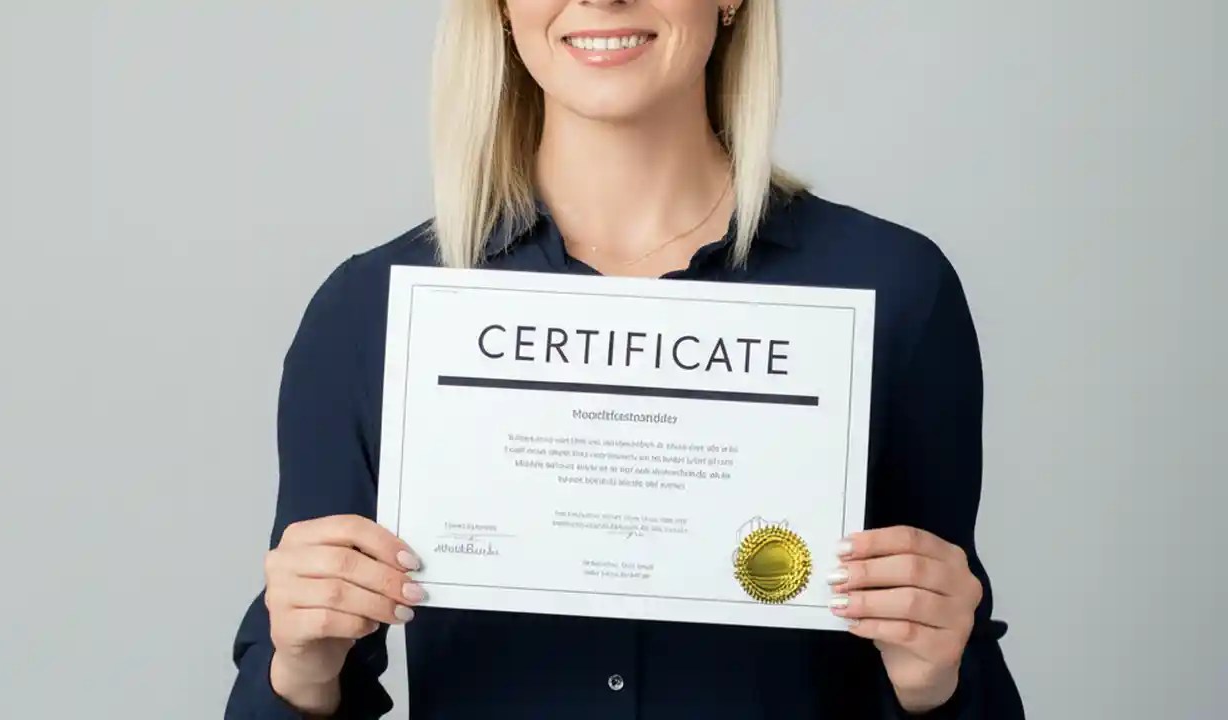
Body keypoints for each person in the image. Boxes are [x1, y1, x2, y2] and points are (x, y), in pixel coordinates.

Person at [226, 1, 1024, 717]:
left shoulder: (896, 293)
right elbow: (292, 676)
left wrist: (936, 684)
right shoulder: (373, 312)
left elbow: (959, 664)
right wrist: (300, 669)